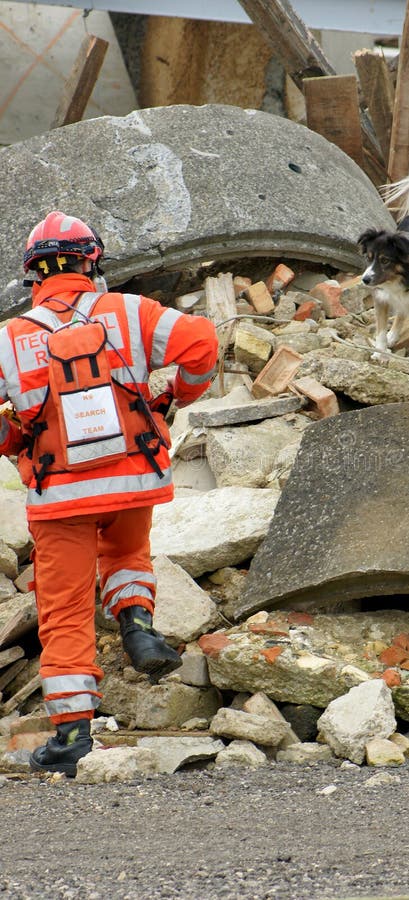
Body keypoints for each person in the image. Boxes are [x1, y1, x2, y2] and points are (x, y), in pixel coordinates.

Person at [0, 211, 219, 777]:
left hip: (59, 496)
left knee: (64, 609)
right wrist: (179, 396)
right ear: (91, 263)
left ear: (34, 274)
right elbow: (202, 342)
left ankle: (72, 738)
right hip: (133, 480)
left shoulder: (10, 338)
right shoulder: (129, 311)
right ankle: (138, 627)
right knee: (126, 553)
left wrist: (12, 439)